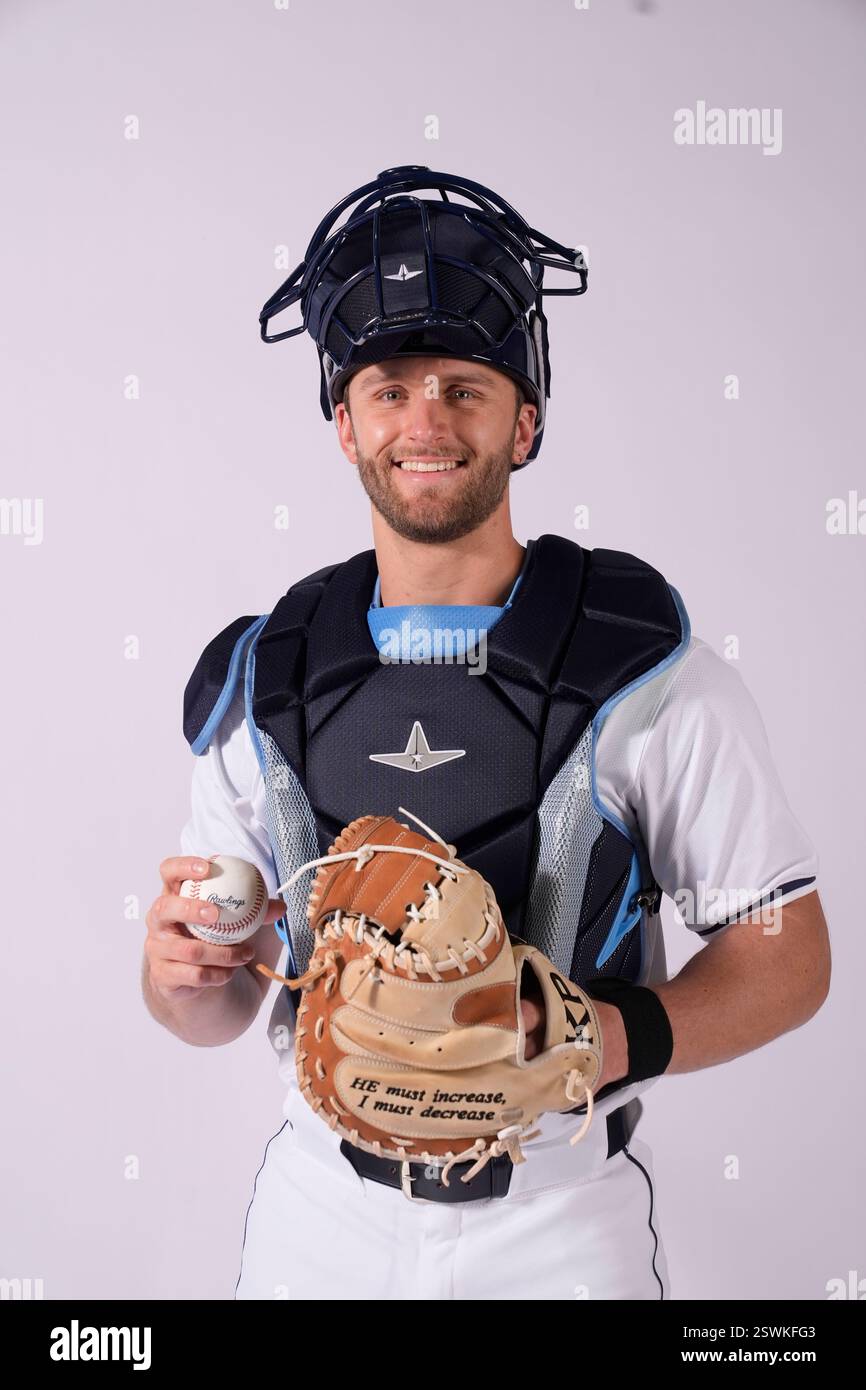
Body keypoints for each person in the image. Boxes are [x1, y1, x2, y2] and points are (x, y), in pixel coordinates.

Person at [141, 167, 830, 1300]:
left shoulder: (643, 670)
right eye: (389, 387)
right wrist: (178, 971)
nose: (423, 421)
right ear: (341, 422)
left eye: (463, 387)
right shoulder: (267, 674)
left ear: (526, 416)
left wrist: (595, 1040)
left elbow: (788, 956)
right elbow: (210, 1008)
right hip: (322, 1211)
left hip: (552, 1216)